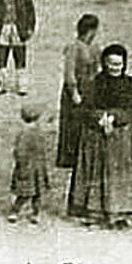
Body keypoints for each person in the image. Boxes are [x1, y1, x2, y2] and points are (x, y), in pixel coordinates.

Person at [67, 44, 132, 228]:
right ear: (104, 64)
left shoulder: (129, 84)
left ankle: (120, 213)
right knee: (96, 173)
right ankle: (94, 212)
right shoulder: (95, 82)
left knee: (120, 175)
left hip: (122, 137)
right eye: (111, 64)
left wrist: (114, 117)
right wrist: (100, 118)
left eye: (118, 65)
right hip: (97, 134)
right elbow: (87, 107)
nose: (115, 68)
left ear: (124, 64)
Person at [57, 13, 100, 168]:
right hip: (75, 90)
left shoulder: (94, 47)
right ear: (89, 30)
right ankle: (70, 156)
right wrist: (74, 92)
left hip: (90, 89)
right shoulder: (73, 48)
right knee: (73, 124)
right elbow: (69, 73)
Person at [8, 104, 49, 224]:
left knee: (31, 193)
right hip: (29, 167)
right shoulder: (30, 133)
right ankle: (18, 212)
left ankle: (31, 213)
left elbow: (18, 151)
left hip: (34, 167)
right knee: (28, 193)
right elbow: (20, 152)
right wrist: (22, 164)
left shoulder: (28, 133)